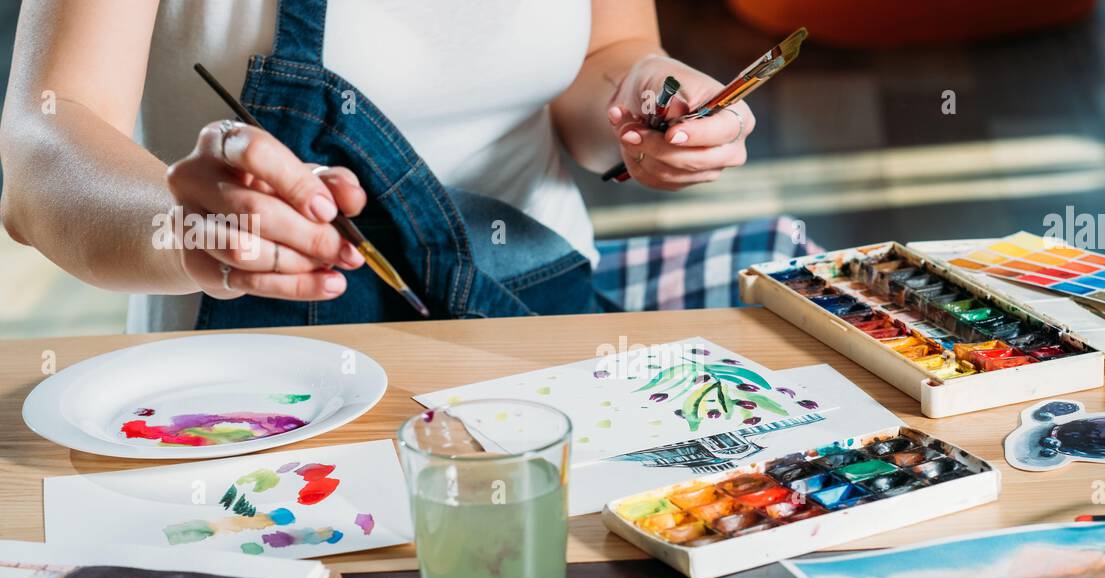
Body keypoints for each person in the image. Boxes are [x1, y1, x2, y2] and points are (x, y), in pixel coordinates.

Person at [0, 0, 816, 331]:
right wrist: (191, 230)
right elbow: (43, 148)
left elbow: (607, 53)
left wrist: (647, 104)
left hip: (543, 329)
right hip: (256, 378)